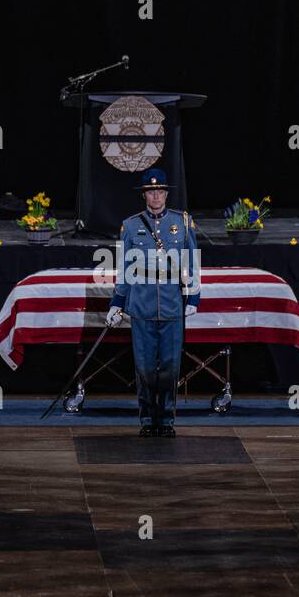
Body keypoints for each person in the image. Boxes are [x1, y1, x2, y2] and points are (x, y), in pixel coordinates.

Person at [106, 168, 201, 437]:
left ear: (167, 194)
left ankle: (167, 420)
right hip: (141, 306)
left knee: (170, 366)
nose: (156, 195)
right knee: (145, 367)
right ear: (144, 195)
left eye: (160, 191)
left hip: (172, 305)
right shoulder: (131, 225)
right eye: (151, 191)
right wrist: (117, 303)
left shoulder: (182, 222)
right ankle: (148, 419)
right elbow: (124, 268)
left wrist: (193, 297)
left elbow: (191, 262)